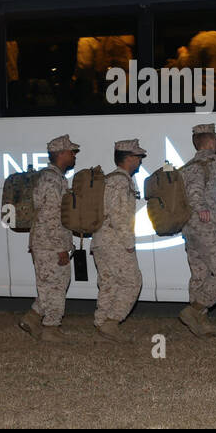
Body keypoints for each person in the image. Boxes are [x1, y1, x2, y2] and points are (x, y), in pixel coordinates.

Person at [17, 135, 78, 343]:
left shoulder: (54, 177)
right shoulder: (52, 180)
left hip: (46, 242)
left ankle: (32, 318)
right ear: (61, 154)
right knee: (55, 286)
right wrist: (61, 248)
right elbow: (51, 216)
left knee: (53, 284)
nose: (74, 155)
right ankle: (51, 328)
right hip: (50, 243)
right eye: (71, 152)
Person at [178, 123, 216, 337]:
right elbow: (194, 191)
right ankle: (193, 312)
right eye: (215, 140)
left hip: (190, 228)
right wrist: (202, 208)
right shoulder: (209, 161)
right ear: (211, 141)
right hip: (205, 226)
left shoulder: (188, 165)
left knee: (200, 274)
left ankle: (199, 323)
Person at [91, 139, 146, 342]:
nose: (140, 161)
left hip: (100, 240)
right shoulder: (121, 181)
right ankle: (111, 322)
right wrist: (128, 243)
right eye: (138, 157)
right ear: (129, 158)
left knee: (109, 283)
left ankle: (101, 324)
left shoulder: (108, 179)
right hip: (115, 241)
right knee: (133, 281)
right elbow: (120, 215)